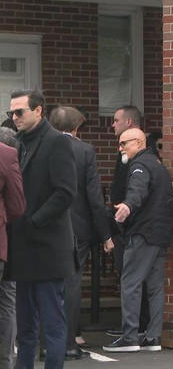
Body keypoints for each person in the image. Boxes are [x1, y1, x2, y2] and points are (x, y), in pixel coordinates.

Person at [7, 89, 76, 369]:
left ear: (38, 110)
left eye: (19, 111)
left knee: (52, 323)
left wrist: (35, 220)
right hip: (23, 249)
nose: (14, 117)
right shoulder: (18, 143)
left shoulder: (57, 142)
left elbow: (65, 192)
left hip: (48, 250)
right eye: (11, 112)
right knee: (25, 326)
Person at [48, 106, 114, 359]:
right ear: (76, 127)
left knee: (43, 284)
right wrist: (105, 234)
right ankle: (67, 343)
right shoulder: (84, 150)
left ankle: (42, 341)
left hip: (43, 226)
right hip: (75, 228)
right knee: (71, 283)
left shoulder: (38, 145)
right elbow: (94, 197)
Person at [103, 128, 172, 352]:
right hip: (160, 233)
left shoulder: (139, 165)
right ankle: (153, 337)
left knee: (130, 282)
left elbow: (137, 190)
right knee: (155, 286)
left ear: (139, 143)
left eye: (124, 143)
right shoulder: (158, 164)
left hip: (143, 232)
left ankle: (130, 336)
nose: (120, 148)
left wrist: (127, 205)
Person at [0, 127, 24, 369]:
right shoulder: (7, 156)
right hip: (5, 242)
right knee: (7, 302)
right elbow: (17, 206)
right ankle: (6, 362)